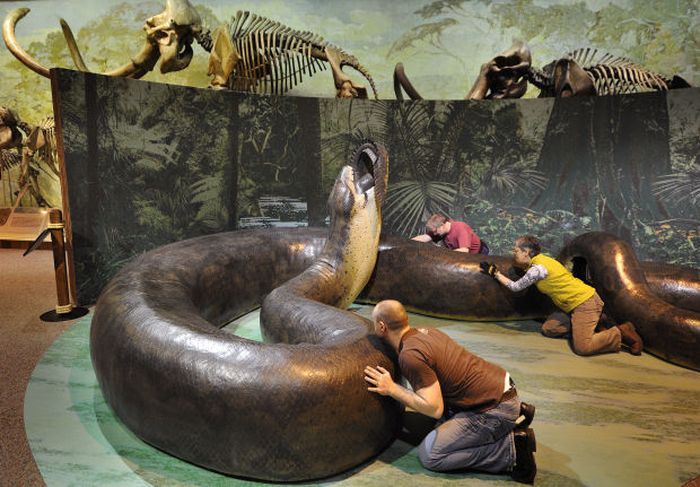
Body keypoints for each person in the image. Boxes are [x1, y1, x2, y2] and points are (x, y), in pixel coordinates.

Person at [364, 300, 537, 484]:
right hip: (501, 388)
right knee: (433, 426)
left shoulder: (410, 355)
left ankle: (512, 449)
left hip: (493, 408)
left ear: (382, 326)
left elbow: (434, 408)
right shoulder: (426, 331)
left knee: (431, 455)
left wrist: (392, 388)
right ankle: (515, 414)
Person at [482, 235, 643, 356]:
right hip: (570, 307)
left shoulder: (538, 269)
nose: (514, 253)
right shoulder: (542, 261)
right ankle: (589, 327)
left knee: (583, 348)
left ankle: (620, 332)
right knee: (549, 329)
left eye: (516, 250)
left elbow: (516, 287)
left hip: (584, 302)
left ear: (526, 252)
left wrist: (495, 273)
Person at [412, 213, 489, 254]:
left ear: (442, 225)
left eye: (435, 231)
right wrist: (407, 242)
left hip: (478, 253)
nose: (434, 234)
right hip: (460, 253)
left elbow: (464, 250)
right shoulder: (441, 231)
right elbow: (425, 237)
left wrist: (442, 255)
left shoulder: (460, 228)